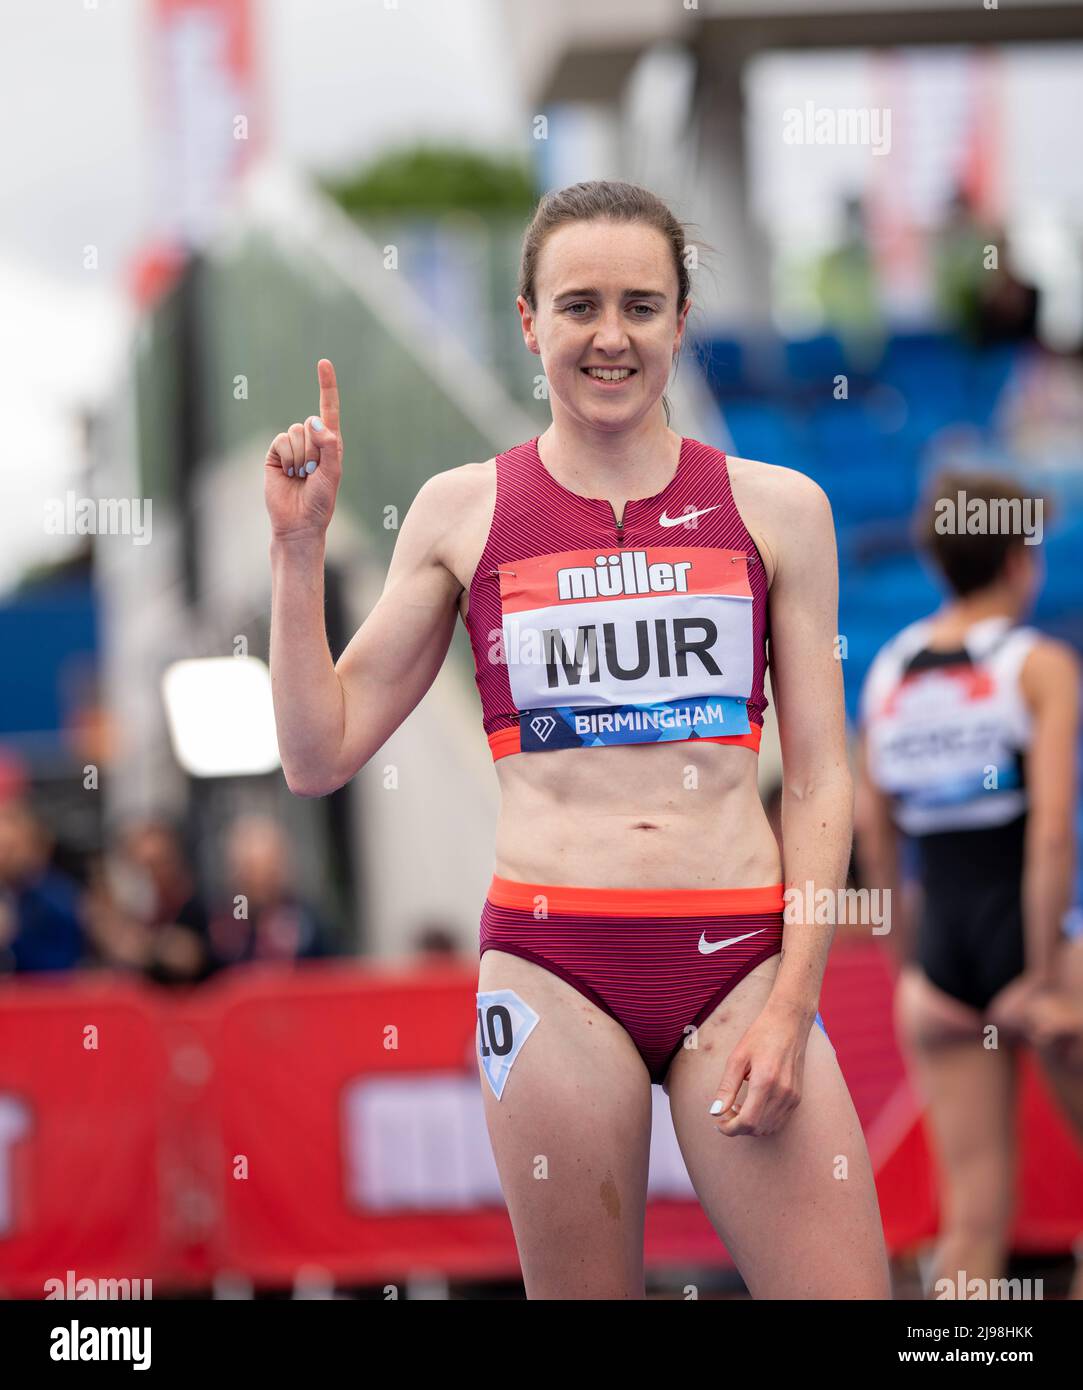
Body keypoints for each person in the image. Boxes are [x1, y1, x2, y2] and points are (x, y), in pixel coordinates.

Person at [265, 180, 891, 1299]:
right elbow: (319, 754)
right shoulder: (464, 510)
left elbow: (820, 783)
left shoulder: (780, 507)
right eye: (580, 305)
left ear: (681, 322)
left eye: (643, 306)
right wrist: (298, 553)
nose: (611, 336)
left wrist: (797, 1000)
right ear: (527, 321)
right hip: (555, 971)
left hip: (740, 967)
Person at [854, 468, 1083, 1297]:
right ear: (1019, 561)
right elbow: (1052, 833)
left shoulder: (889, 671)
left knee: (971, 1221)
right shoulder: (1037, 666)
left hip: (940, 965)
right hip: (1039, 957)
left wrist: (912, 969)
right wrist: (1036, 973)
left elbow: (875, 841)